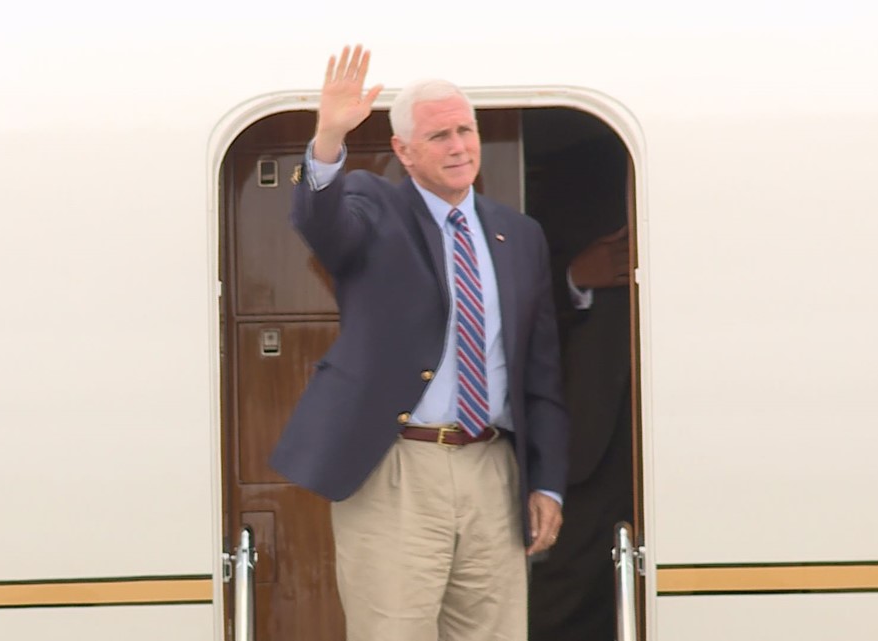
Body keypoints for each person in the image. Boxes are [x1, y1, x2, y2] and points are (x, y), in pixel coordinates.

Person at [268, 45, 570, 641]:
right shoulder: (371, 206)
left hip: (492, 468)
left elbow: (541, 373)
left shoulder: (521, 234)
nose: (459, 146)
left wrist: (547, 482)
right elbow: (314, 218)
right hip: (398, 468)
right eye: (439, 136)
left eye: (466, 130)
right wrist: (327, 139)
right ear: (404, 151)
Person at [526, 136, 635, 641]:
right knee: (567, 594)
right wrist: (575, 277)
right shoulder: (568, 167)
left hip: (683, 419)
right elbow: (519, 293)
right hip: (591, 425)